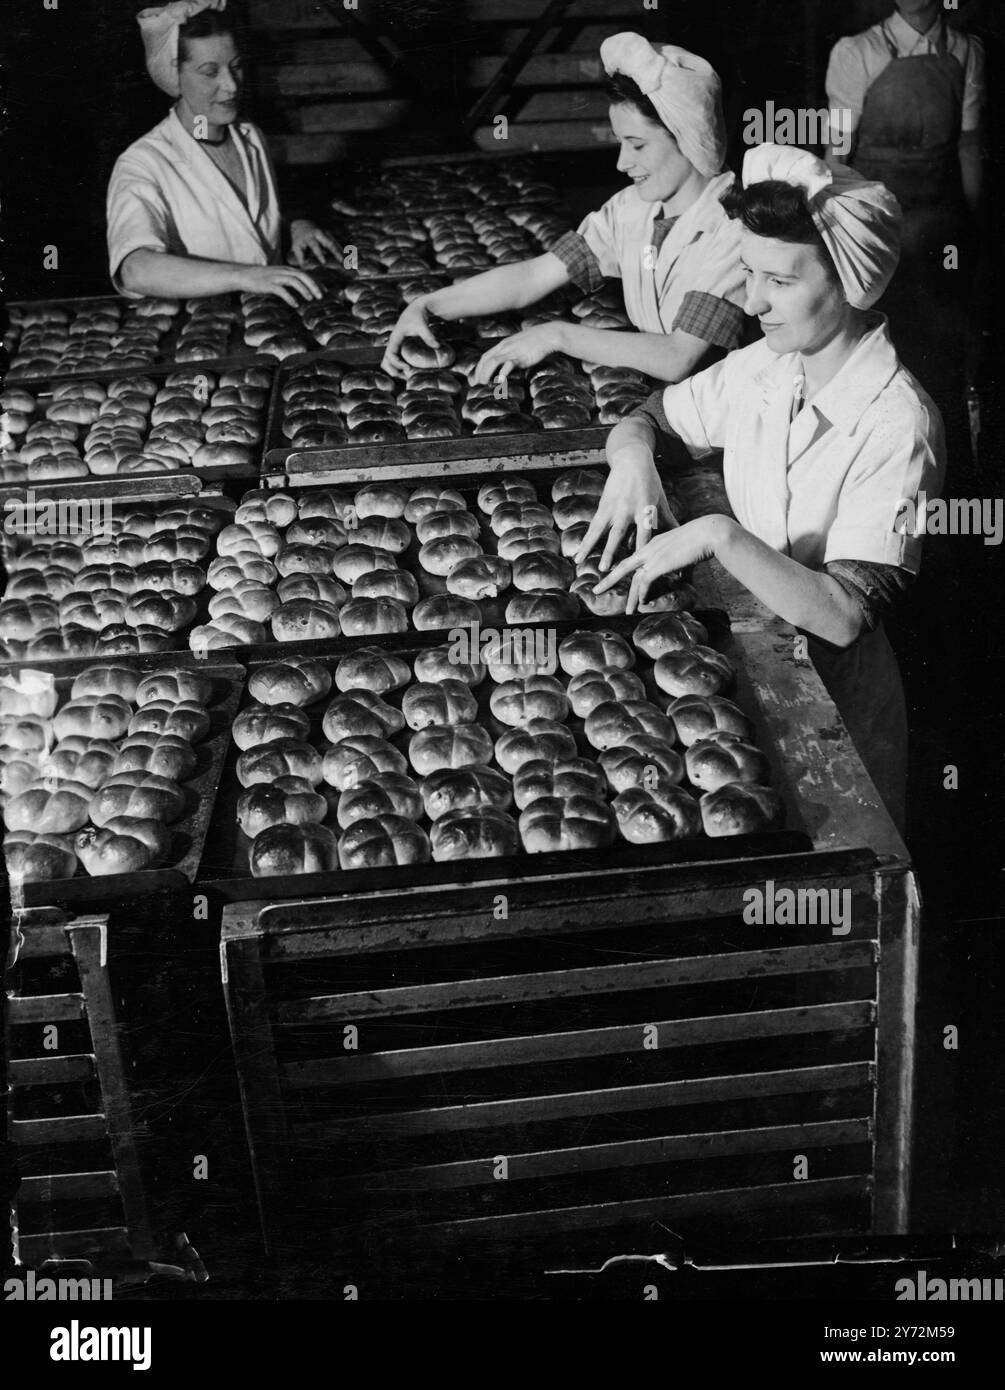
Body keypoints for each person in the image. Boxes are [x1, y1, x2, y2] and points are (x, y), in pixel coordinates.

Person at [580, 144, 946, 833]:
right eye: (748, 274)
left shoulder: (899, 423)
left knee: (833, 895)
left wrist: (716, 534)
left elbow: (842, 613)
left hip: (834, 709)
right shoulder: (765, 366)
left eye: (778, 281)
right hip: (750, 672)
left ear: (847, 283)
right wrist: (633, 458)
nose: (752, 303)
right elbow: (651, 417)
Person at [382, 32, 747, 386]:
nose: (621, 163)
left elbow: (676, 358)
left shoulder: (735, 227)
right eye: (620, 143)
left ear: (688, 138)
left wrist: (555, 335)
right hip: (666, 402)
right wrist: (428, 306)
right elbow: (532, 277)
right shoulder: (631, 211)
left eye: (637, 145)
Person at [107, 0, 336, 305]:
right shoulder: (144, 163)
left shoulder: (250, 138)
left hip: (272, 326)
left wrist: (295, 224)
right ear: (175, 75)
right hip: (200, 338)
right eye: (209, 72)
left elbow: (243, 222)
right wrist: (246, 276)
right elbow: (135, 268)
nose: (230, 86)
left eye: (236, 66)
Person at [825, 0, 985, 263]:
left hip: (939, 213)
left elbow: (969, 145)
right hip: (875, 213)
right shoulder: (856, 51)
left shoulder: (967, 50)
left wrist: (974, 217)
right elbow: (839, 147)